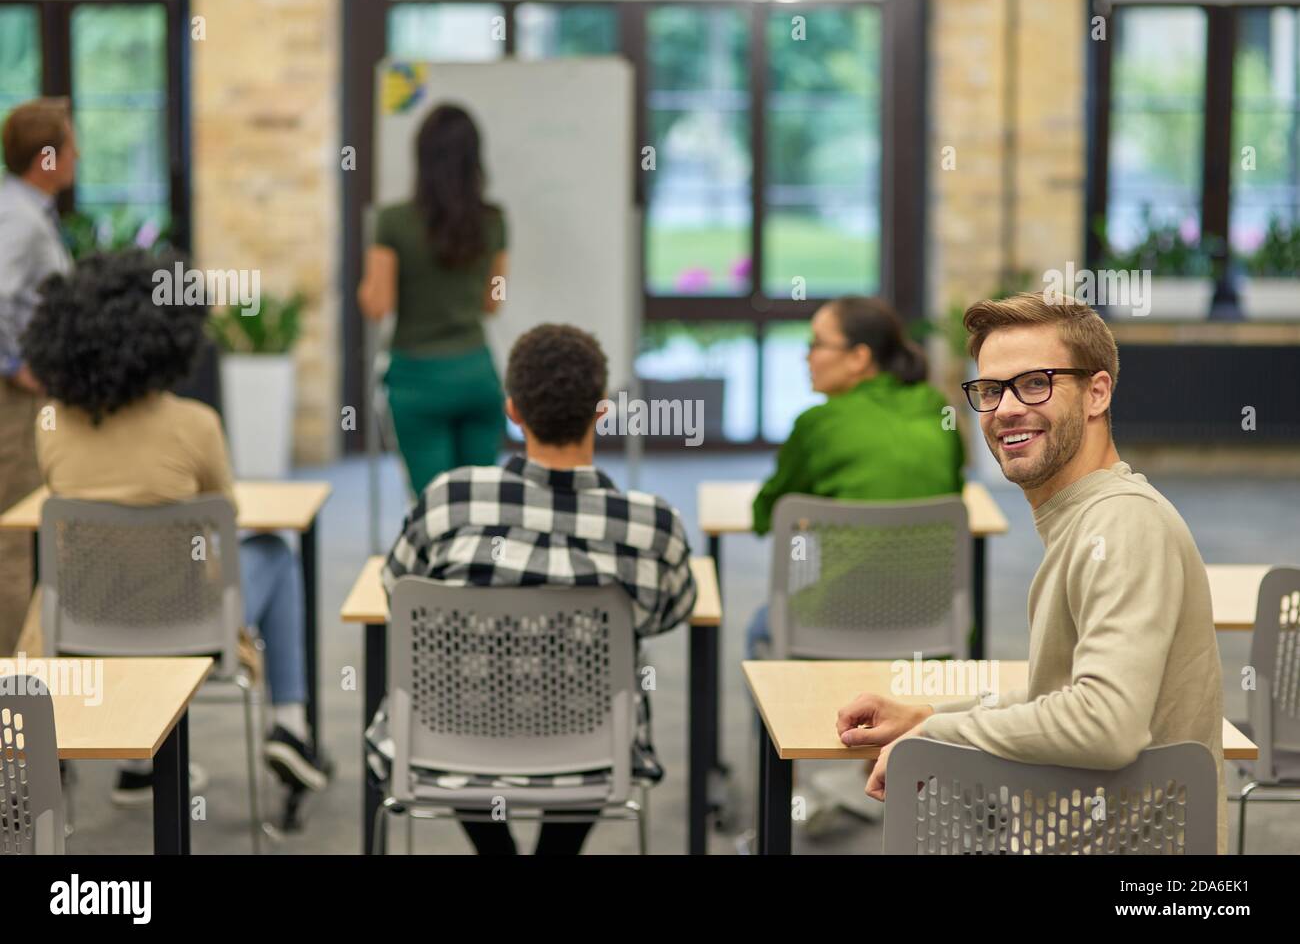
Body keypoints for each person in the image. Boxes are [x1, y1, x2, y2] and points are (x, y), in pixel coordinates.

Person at [836, 291, 1227, 854]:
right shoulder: (1088, 519)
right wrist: (930, 713)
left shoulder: (1121, 525)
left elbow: (1104, 724)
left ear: (1097, 393)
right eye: (992, 389)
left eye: (1036, 383)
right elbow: (1063, 694)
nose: (1007, 409)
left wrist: (937, 736)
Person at [23, 249, 331, 804]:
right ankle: (290, 723)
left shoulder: (52, 426)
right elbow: (224, 515)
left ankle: (138, 759)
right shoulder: (196, 425)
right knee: (274, 554)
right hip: (189, 629)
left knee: (111, 569)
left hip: (81, 629)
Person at [379, 323, 697, 855]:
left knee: (455, 692)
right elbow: (672, 610)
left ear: (512, 410)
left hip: (451, 738)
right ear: (602, 411)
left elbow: (399, 594)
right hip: (594, 749)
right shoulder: (650, 526)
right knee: (589, 702)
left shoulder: (448, 501)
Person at [746, 296, 965, 658]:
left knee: (760, 627)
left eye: (816, 344)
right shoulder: (936, 410)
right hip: (933, 626)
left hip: (832, 622)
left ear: (859, 357)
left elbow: (765, 515)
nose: (807, 356)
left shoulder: (818, 425)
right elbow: (950, 495)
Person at [358, 103, 507, 494]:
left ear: (421, 157)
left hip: (417, 381)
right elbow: (494, 302)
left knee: (436, 508)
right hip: (477, 373)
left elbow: (379, 305)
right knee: (480, 502)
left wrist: (366, 284)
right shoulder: (492, 220)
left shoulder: (392, 221)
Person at [0, 97, 75, 654]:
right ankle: (13, 688)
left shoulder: (29, 213)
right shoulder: (18, 219)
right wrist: (14, 367)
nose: (78, 155)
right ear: (45, 158)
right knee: (14, 539)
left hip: (24, 398)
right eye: (70, 146)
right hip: (10, 401)